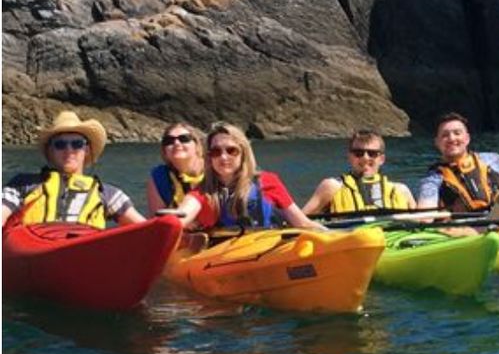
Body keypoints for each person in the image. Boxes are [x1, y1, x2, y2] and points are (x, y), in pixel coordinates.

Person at [1, 110, 146, 229]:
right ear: (50, 151)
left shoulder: (109, 195)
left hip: (86, 255)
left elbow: (147, 229)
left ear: (87, 150)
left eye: (77, 144)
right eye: (60, 145)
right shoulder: (22, 185)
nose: (69, 150)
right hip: (33, 255)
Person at [167, 122, 322, 230]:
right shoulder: (201, 193)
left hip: (269, 249)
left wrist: (336, 236)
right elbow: (183, 214)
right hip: (226, 258)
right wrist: (171, 220)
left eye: (231, 150)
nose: (223, 157)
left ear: (243, 153)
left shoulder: (268, 181)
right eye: (216, 152)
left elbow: (302, 223)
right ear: (209, 157)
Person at [416, 112, 499, 213]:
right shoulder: (434, 177)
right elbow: (426, 208)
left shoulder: (493, 159)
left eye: (457, 133)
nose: (452, 138)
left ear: (467, 138)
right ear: (437, 143)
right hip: (466, 227)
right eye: (445, 135)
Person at [301, 129, 416, 216]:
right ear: (350, 157)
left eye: (372, 153)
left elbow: (422, 223)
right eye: (358, 153)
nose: (365, 158)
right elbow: (300, 221)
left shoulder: (401, 190)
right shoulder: (332, 187)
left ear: (381, 159)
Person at [146, 122, 204, 213]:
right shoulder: (159, 177)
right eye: (169, 141)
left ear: (196, 145)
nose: (176, 143)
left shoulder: (213, 169)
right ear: (164, 150)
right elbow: (157, 218)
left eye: (184, 139)